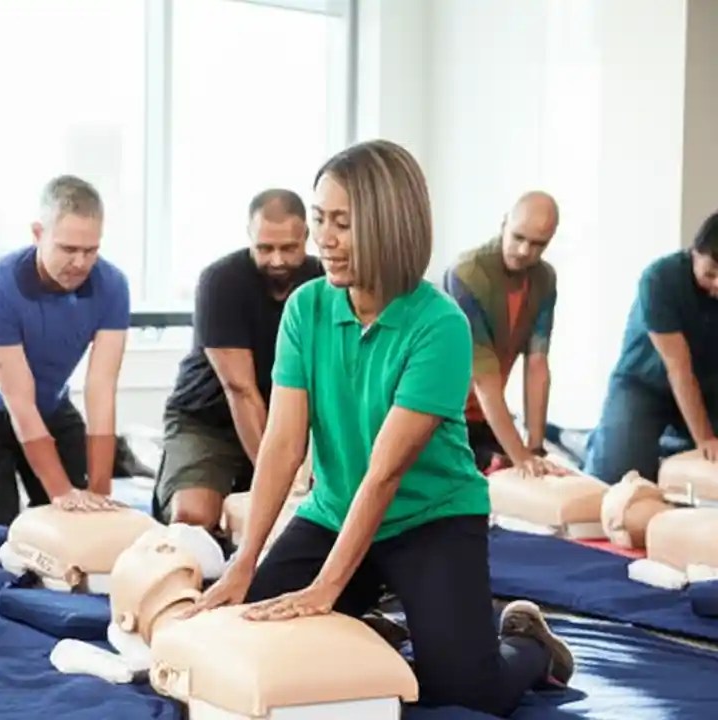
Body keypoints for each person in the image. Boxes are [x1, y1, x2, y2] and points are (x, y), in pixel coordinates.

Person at [187, 139, 574, 716]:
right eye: (320, 219)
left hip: (430, 520)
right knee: (260, 632)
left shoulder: (439, 324)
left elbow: (385, 472)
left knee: (465, 696)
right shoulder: (306, 307)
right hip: (334, 511)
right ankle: (369, 631)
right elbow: (284, 445)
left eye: (342, 223)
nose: (324, 239)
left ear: (389, 224)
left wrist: (326, 589)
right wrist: (244, 562)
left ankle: (527, 643)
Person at [0, 175, 129, 525]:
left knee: (82, 518)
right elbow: (19, 403)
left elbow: (101, 389)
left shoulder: (113, 285)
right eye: (68, 249)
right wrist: (61, 494)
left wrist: (99, 492)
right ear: (38, 234)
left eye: (91, 251)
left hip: (51, 403)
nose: (80, 263)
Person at [153, 189, 324, 530]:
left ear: (306, 236)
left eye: (288, 248)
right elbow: (240, 390)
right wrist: (277, 488)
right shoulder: (221, 281)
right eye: (265, 248)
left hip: (289, 420)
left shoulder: (323, 281)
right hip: (208, 421)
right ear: (250, 237)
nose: (277, 260)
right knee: (194, 518)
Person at [584, 211, 718, 484]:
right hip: (644, 384)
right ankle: (592, 440)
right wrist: (705, 439)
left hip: (710, 388)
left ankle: (669, 444)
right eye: (711, 274)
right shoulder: (660, 279)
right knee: (619, 478)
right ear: (694, 252)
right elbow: (678, 368)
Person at [443, 192, 566, 476]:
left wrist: (535, 448)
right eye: (518, 237)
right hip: (441, 414)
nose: (525, 251)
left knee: (520, 467)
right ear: (504, 224)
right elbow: (484, 378)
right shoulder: (466, 273)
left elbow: (537, 364)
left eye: (538, 244)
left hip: (483, 414)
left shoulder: (544, 280)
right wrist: (521, 457)